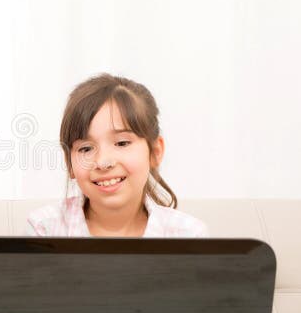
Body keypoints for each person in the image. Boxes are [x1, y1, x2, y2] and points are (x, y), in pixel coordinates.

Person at [27, 73, 207, 238]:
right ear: (70, 164)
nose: (103, 162)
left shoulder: (187, 235)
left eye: (122, 143)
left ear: (155, 152)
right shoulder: (43, 230)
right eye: (86, 149)